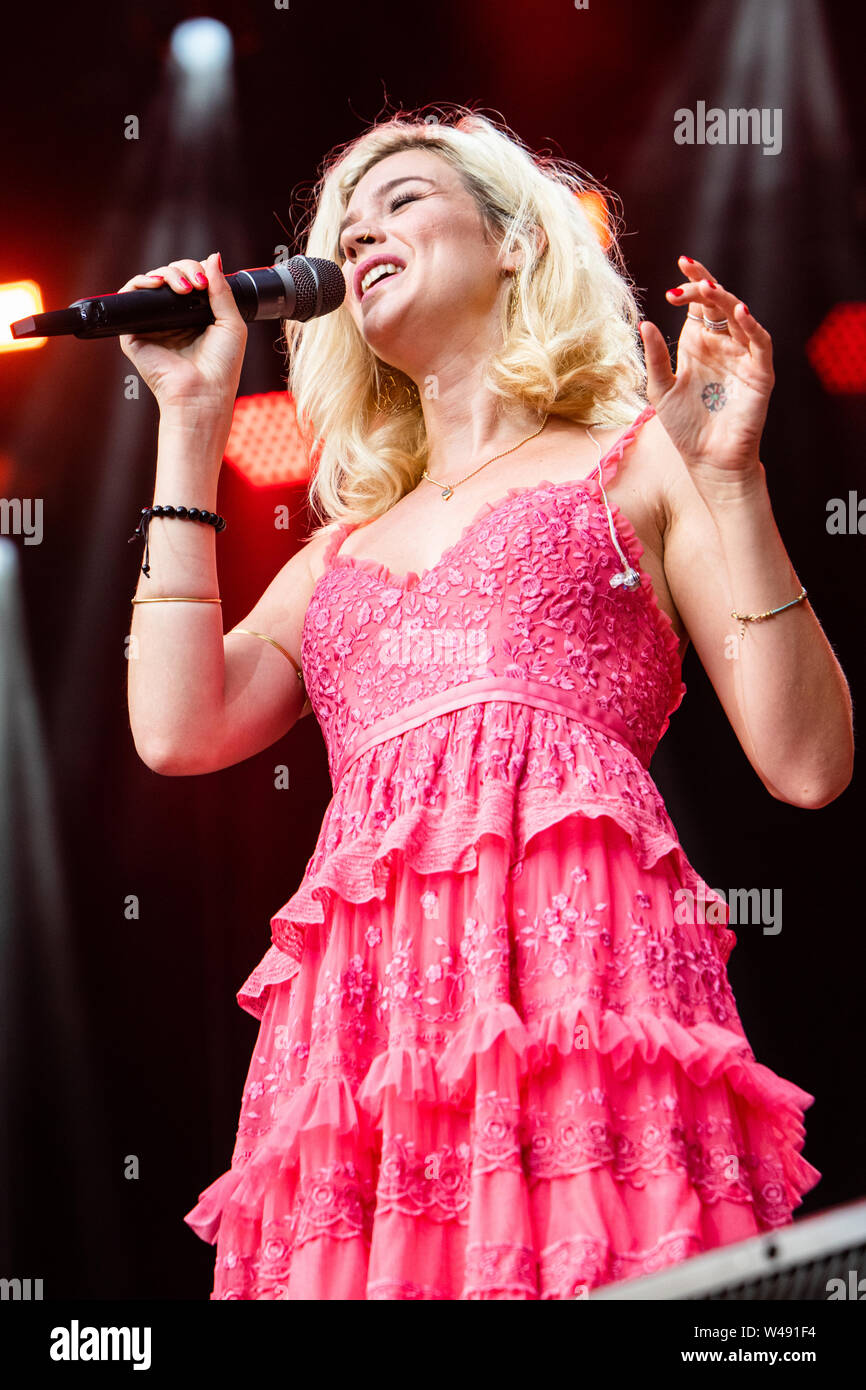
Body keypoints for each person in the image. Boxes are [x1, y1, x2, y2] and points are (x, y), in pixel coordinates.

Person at [122, 108, 853, 1300]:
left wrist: (732, 483)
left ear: (516, 243)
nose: (360, 234)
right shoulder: (336, 555)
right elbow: (175, 726)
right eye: (343, 228)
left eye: (401, 201)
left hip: (579, 1000)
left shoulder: (639, 457)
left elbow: (806, 762)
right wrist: (191, 420)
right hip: (370, 1046)